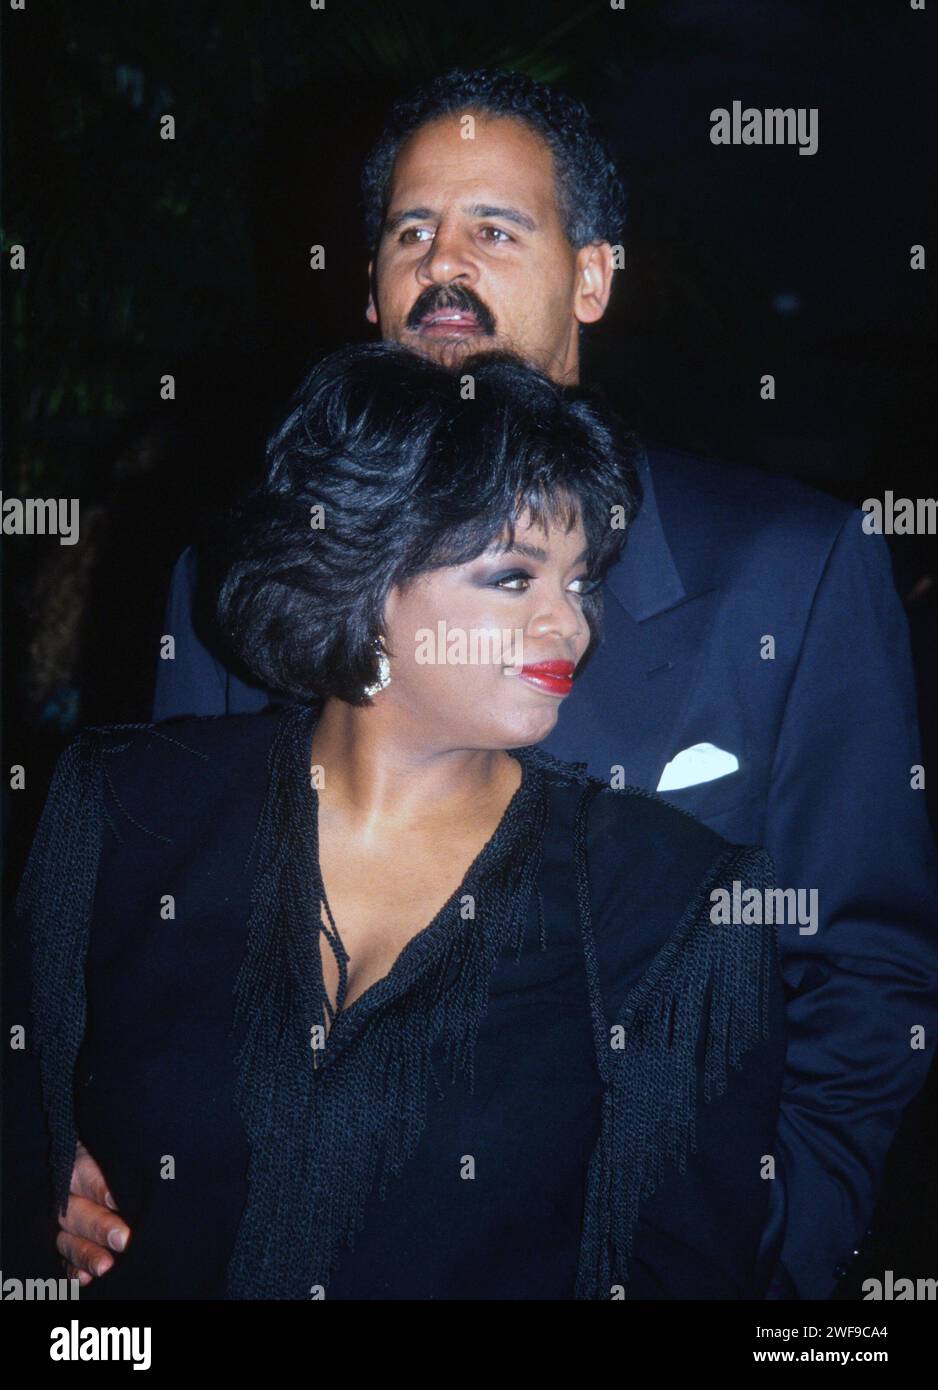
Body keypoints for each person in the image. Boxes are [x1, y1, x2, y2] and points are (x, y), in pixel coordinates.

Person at [53, 69, 938, 1300]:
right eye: (411, 231)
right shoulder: (233, 576)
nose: (442, 263)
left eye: (495, 229)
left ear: (591, 279)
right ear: (369, 289)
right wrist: (60, 1150)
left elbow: (861, 979)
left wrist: (754, 1263)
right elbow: (145, 945)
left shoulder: (789, 574)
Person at [14, 344, 785, 1299]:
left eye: (580, 582)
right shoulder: (122, 806)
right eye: (514, 577)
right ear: (362, 576)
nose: (572, 626)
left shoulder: (669, 905)